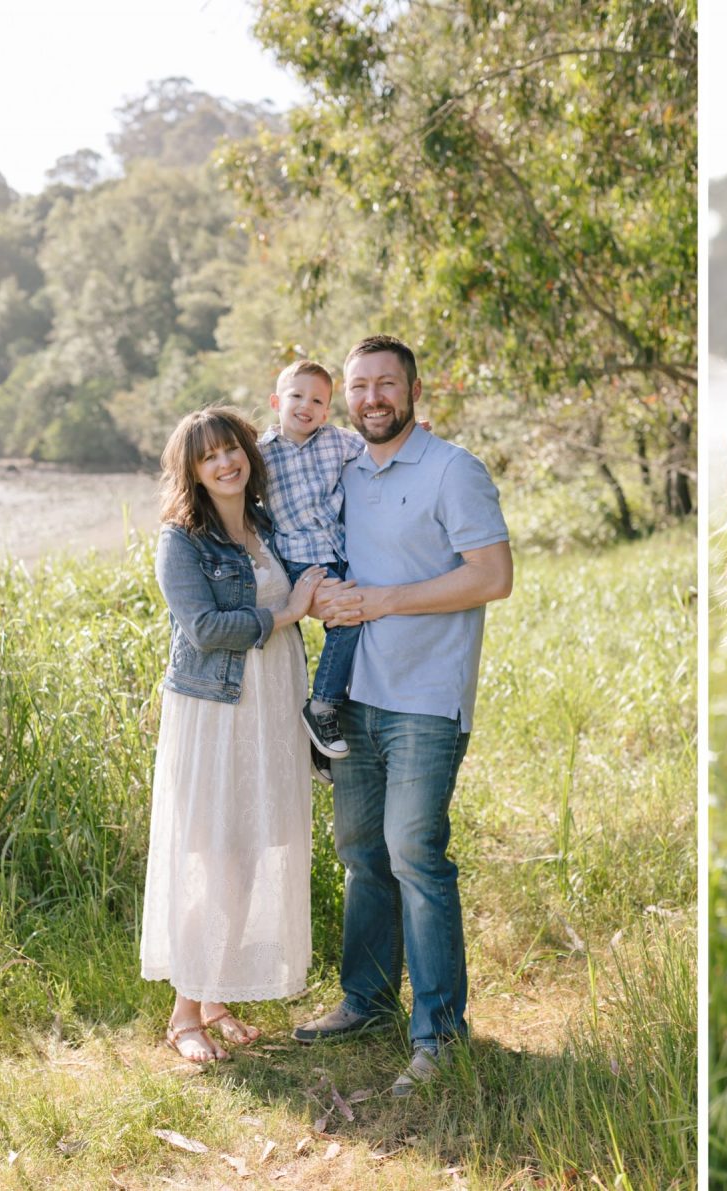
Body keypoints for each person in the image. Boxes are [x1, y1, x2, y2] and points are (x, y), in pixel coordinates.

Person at [290, 334, 513, 1097]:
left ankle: (440, 1035)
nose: (372, 398)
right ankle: (367, 999)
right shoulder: (343, 470)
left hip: (425, 697)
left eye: (386, 384)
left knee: (415, 852)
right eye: (359, 386)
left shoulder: (454, 470)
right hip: (354, 695)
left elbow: (493, 575)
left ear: (414, 391)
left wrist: (387, 600)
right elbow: (318, 550)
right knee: (361, 852)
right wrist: (319, 594)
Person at [141, 407, 326, 1062]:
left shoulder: (266, 524)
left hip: (272, 706)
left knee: (249, 853)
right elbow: (204, 630)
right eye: (209, 456)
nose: (225, 463)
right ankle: (183, 1014)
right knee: (219, 856)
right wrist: (287, 613)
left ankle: (214, 994)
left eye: (231, 449)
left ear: (248, 452)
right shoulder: (181, 540)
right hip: (218, 713)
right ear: (192, 471)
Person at [257, 359, 365, 765]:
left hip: (338, 552)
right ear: (276, 402)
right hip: (299, 560)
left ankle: (320, 732)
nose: (306, 405)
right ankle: (321, 708)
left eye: (317, 401)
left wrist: (414, 436)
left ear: (326, 411)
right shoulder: (260, 454)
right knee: (345, 619)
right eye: (296, 396)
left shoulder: (336, 441)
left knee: (355, 627)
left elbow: (377, 448)